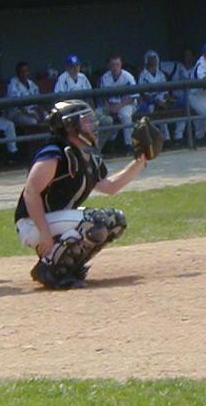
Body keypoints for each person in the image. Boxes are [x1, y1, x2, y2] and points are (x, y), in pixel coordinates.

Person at [14, 99, 149, 290]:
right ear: (70, 126)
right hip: (32, 223)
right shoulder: (54, 153)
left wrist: (140, 161)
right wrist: (44, 231)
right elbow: (31, 192)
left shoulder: (86, 157)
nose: (93, 125)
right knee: (95, 222)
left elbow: (110, 187)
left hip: (52, 220)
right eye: (86, 121)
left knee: (115, 220)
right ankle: (49, 267)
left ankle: (67, 267)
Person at [53, 53, 115, 145]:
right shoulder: (62, 79)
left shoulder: (83, 77)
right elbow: (58, 100)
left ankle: (95, 150)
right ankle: (83, 151)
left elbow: (90, 96)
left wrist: (92, 112)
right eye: (72, 66)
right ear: (67, 67)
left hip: (85, 112)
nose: (75, 68)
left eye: (77, 65)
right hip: (71, 114)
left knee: (107, 121)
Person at [137, 49, 182, 142]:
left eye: (154, 58)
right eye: (150, 58)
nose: (153, 60)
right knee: (156, 112)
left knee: (181, 105)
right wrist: (156, 101)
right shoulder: (142, 75)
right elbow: (143, 95)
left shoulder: (161, 74)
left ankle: (175, 138)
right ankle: (160, 139)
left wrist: (169, 99)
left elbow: (165, 92)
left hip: (162, 101)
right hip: (149, 103)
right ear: (146, 60)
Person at [98, 54, 138, 152]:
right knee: (99, 115)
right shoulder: (105, 77)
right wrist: (109, 107)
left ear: (121, 65)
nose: (115, 67)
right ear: (109, 66)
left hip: (127, 104)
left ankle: (129, 145)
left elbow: (133, 98)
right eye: (113, 65)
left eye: (117, 64)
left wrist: (119, 106)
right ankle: (108, 144)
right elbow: (103, 97)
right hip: (110, 105)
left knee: (124, 115)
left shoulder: (128, 77)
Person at [5, 61, 46, 128]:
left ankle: (44, 137)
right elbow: (17, 105)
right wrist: (30, 114)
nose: (24, 74)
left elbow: (38, 101)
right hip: (17, 113)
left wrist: (41, 113)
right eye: (22, 72)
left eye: (26, 71)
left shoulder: (31, 84)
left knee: (48, 117)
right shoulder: (12, 84)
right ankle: (33, 138)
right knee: (33, 121)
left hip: (32, 111)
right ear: (18, 73)